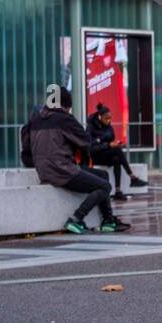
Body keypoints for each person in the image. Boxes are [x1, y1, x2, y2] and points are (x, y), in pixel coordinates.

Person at [22, 87, 131, 234]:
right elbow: (86, 141)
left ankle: (108, 221)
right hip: (63, 170)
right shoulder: (64, 118)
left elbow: (26, 147)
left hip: (44, 170)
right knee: (104, 187)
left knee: (103, 175)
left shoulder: (35, 120)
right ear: (66, 106)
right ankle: (76, 219)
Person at [87, 104, 147, 200]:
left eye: (110, 118)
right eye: (106, 118)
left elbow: (112, 142)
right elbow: (90, 148)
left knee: (116, 159)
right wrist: (108, 145)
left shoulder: (109, 128)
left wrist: (115, 144)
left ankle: (118, 191)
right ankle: (132, 177)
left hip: (106, 155)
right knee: (117, 150)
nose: (109, 120)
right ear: (100, 117)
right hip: (95, 157)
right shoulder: (91, 127)